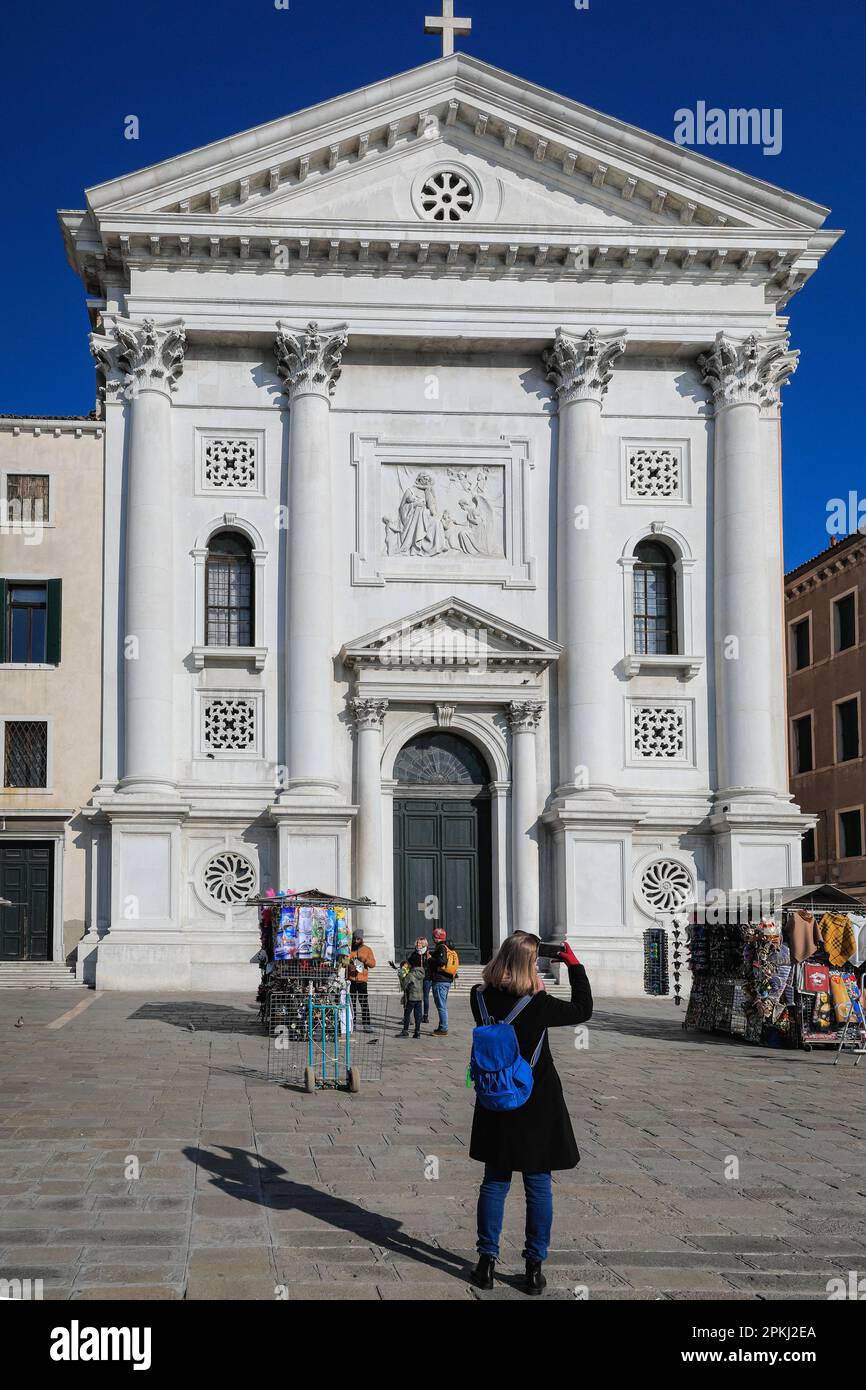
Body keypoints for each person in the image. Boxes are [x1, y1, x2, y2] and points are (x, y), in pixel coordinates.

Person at [468, 931, 592, 1296]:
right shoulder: (540, 1004)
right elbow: (583, 1010)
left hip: (495, 1100)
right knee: (538, 1184)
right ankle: (534, 1269)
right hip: (536, 1101)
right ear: (531, 964)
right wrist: (574, 966)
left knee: (495, 1182)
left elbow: (499, 996)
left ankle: (485, 1263)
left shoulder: (479, 998)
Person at [425, 926, 456, 1036]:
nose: (433, 938)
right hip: (446, 980)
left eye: (434, 936)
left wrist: (429, 958)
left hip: (440, 980)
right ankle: (442, 1026)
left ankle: (443, 1029)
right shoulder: (447, 947)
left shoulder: (441, 947)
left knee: (441, 1005)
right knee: (442, 1004)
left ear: (437, 937)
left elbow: (441, 962)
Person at [396, 938, 427, 1038]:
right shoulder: (421, 973)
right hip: (419, 995)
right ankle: (417, 1032)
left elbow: (405, 983)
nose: (418, 944)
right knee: (418, 1013)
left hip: (412, 996)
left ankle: (405, 1031)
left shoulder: (411, 974)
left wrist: (401, 976)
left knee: (407, 1012)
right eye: (417, 942)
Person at [346, 931, 376, 1033]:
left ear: (361, 939)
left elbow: (373, 964)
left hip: (362, 980)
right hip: (351, 980)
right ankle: (352, 1023)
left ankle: (366, 1024)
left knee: (364, 1002)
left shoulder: (367, 949)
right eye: (354, 939)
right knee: (351, 1003)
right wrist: (349, 964)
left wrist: (365, 960)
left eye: (358, 939)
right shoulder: (349, 950)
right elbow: (343, 964)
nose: (356, 941)